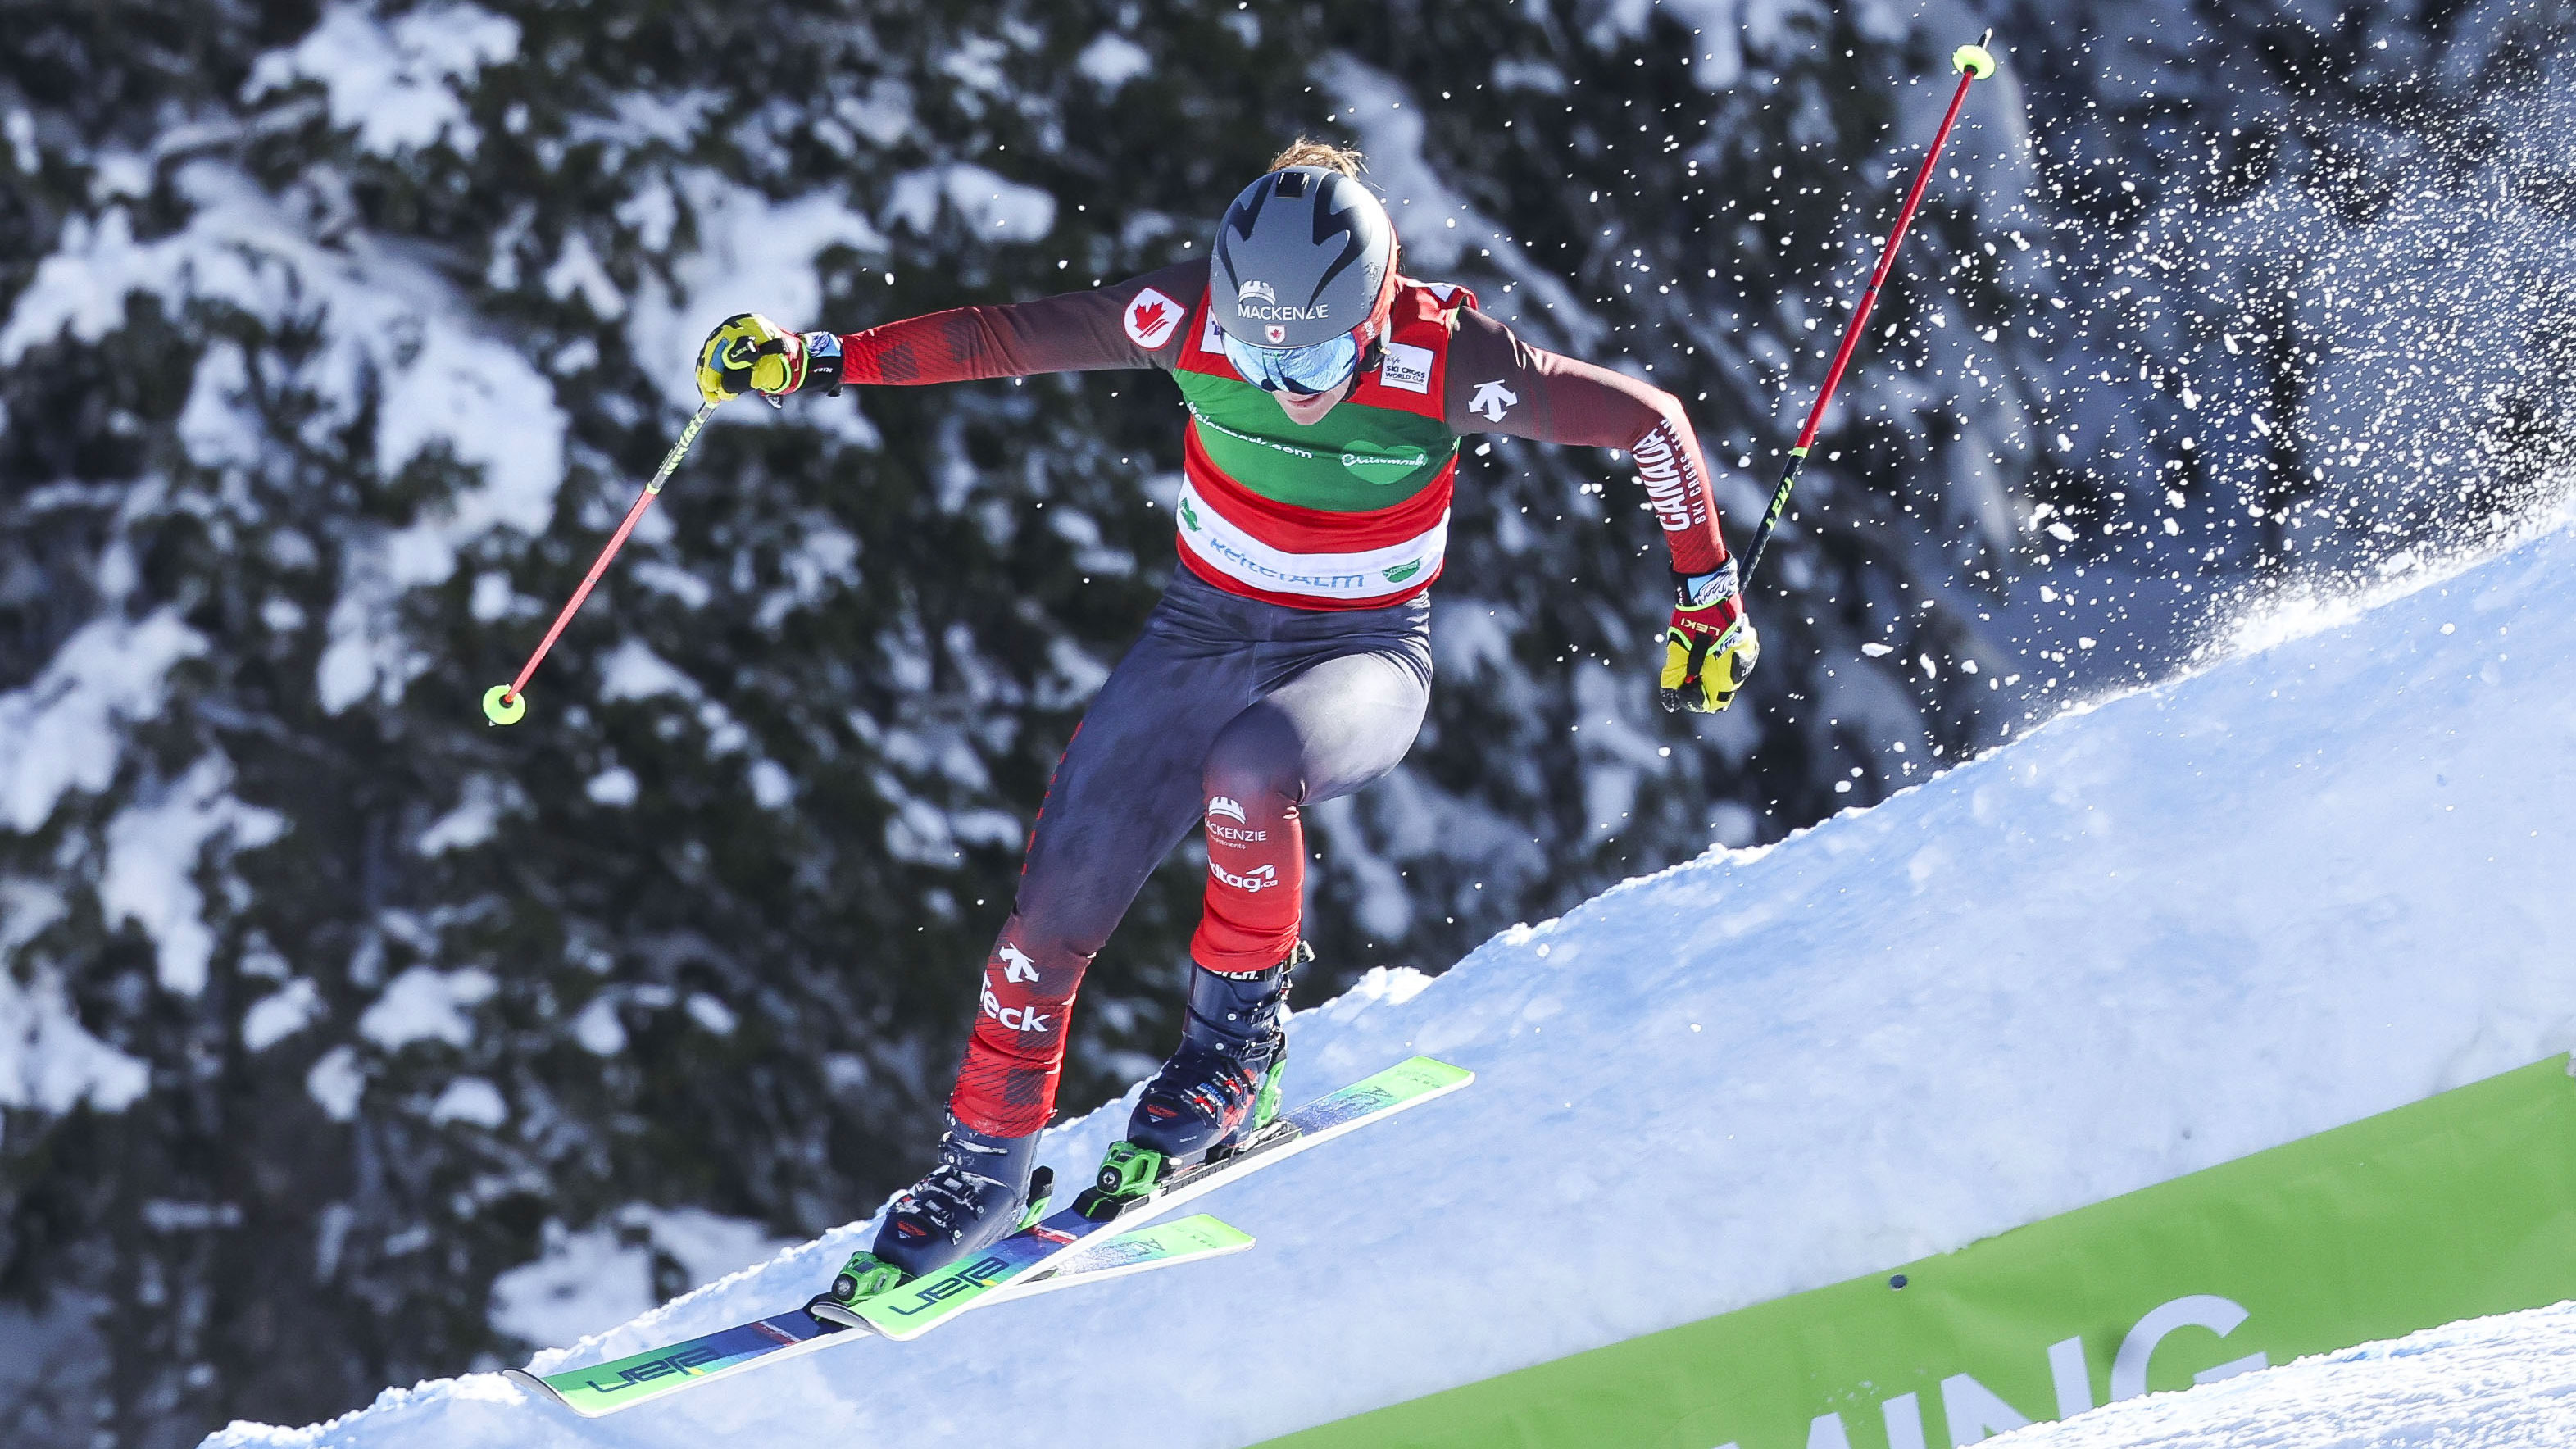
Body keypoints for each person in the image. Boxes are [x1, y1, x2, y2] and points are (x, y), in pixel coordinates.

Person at [693, 141, 1758, 1292]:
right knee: (1050, 913)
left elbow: (1648, 421)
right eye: (1258, 347)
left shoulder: (1443, 361)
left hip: (1362, 653)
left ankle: (1232, 1054)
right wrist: (816, 361)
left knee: (1251, 775)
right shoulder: (1184, 320)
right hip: (1201, 634)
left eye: (1312, 350)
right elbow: (1004, 336)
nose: (1283, 377)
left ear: (1376, 310)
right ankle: (986, 1165)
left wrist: (1709, 601)